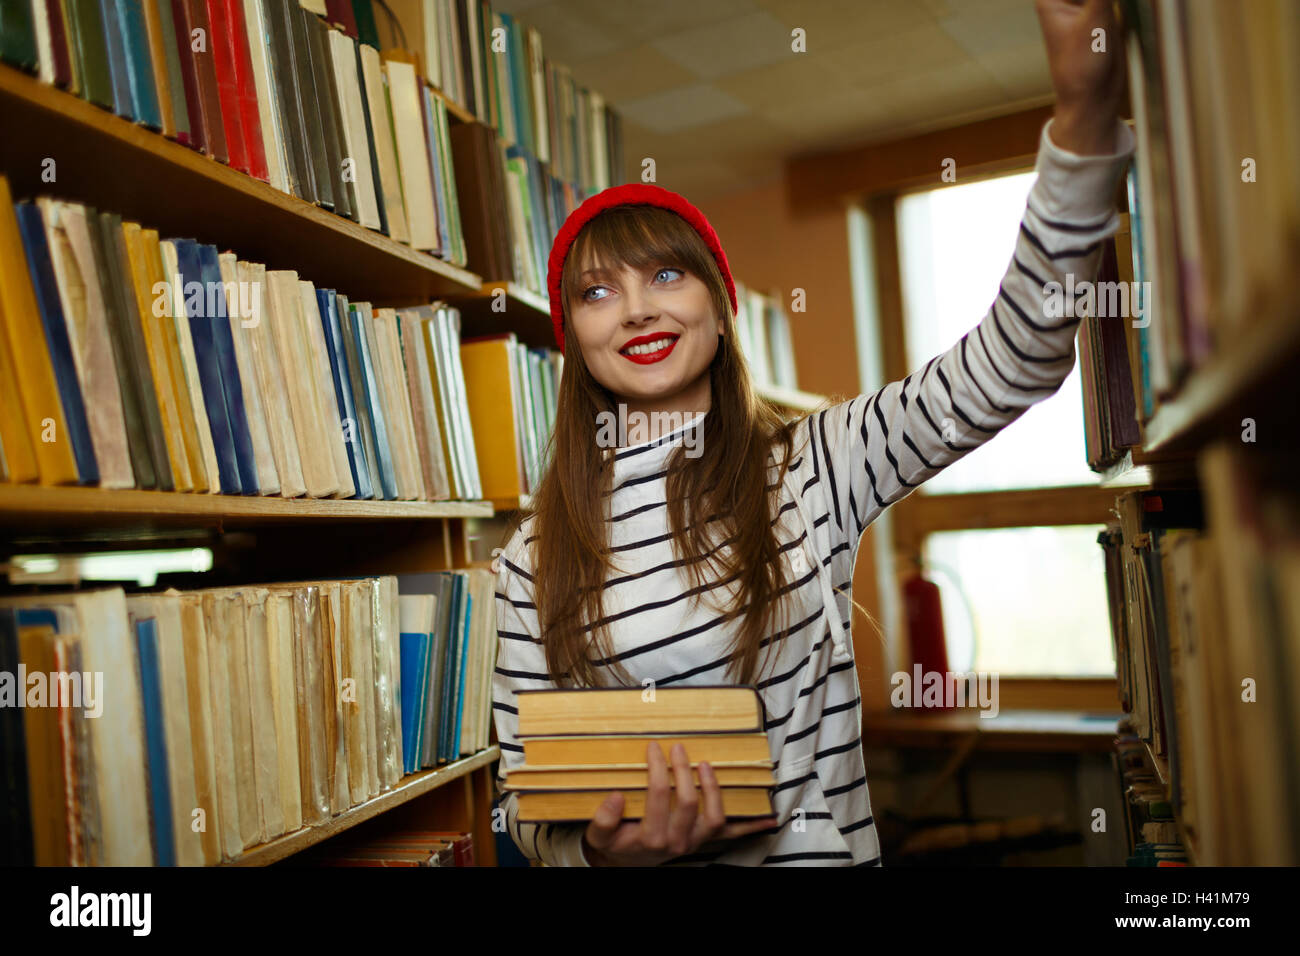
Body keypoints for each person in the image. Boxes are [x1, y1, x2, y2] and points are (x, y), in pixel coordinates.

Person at [491, 0, 1135, 866]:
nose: (638, 307)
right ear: (573, 338)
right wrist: (605, 856)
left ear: (719, 311)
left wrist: (1082, 122)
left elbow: (1014, 361)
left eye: (667, 274)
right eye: (597, 290)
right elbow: (519, 804)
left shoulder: (816, 462)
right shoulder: (528, 560)